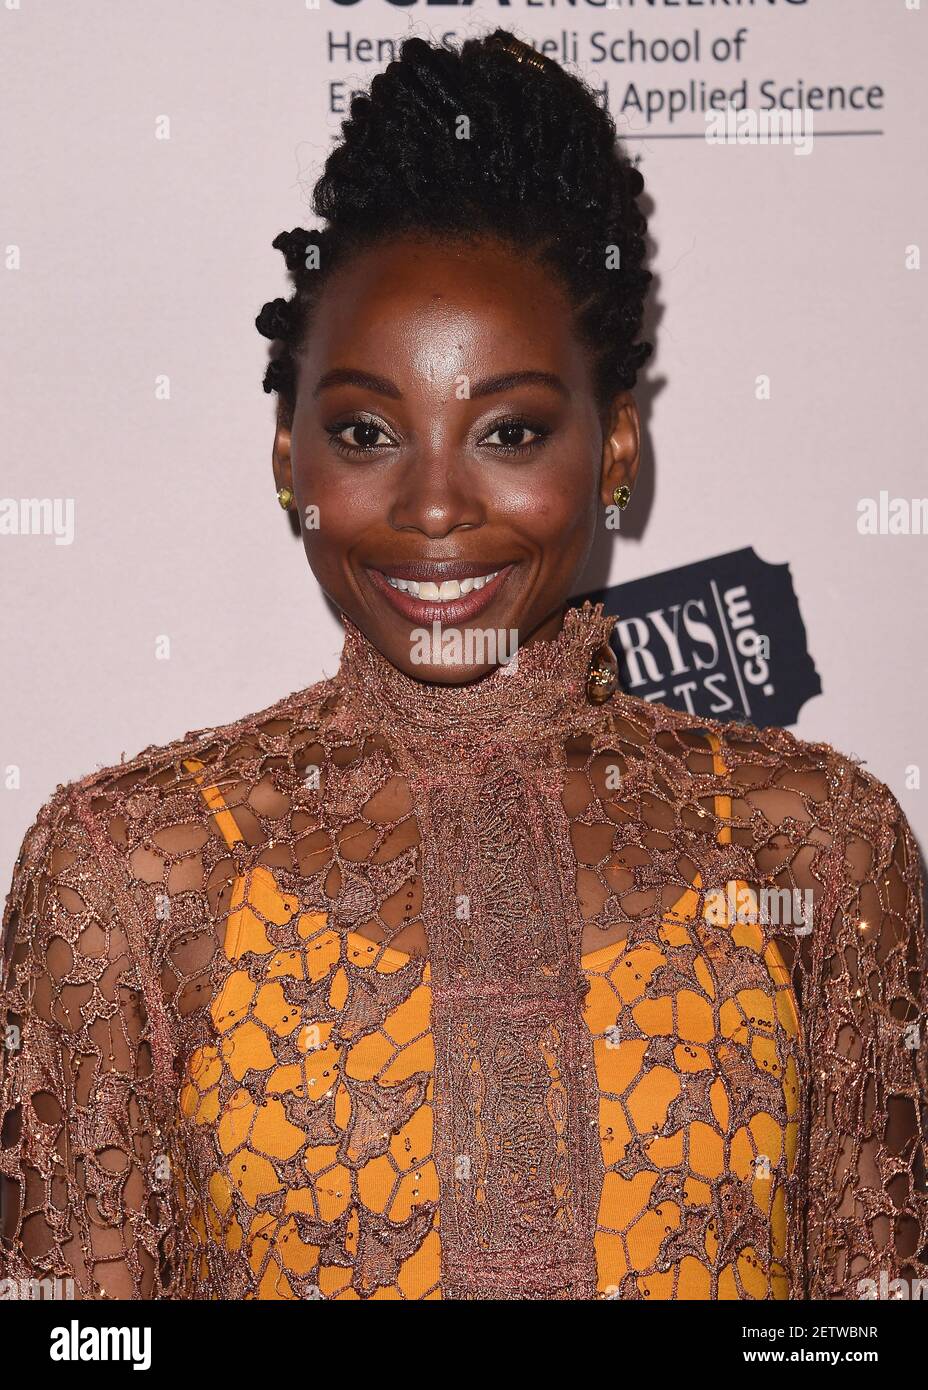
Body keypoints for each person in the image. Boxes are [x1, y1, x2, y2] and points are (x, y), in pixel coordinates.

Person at [1, 29, 925, 1302]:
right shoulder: (124, 875)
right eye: (365, 431)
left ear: (615, 451)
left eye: (510, 431)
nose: (434, 505)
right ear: (286, 456)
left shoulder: (818, 851)